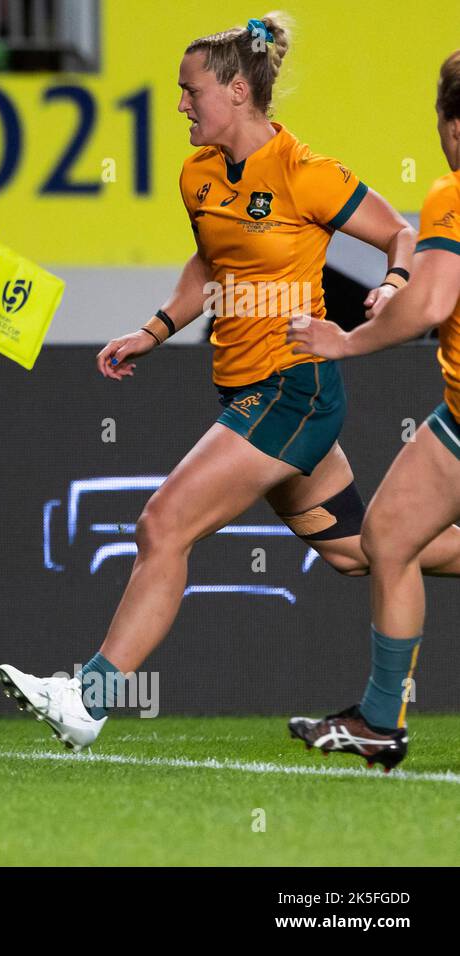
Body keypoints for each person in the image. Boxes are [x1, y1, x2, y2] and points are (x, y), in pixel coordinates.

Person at [0, 13, 460, 752]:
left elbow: (398, 234)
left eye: (191, 91)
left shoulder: (306, 171)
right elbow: (211, 265)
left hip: (292, 389)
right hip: (244, 388)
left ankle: (89, 698)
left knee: (161, 525)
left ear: (237, 90)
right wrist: (151, 330)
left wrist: (395, 279)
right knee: (360, 550)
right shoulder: (198, 173)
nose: (180, 103)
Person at [285, 51, 460, 771]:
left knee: (384, 540)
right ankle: (379, 723)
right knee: (389, 536)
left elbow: (433, 303)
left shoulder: (453, 192)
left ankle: (382, 721)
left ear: (454, 124)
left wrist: (345, 340)